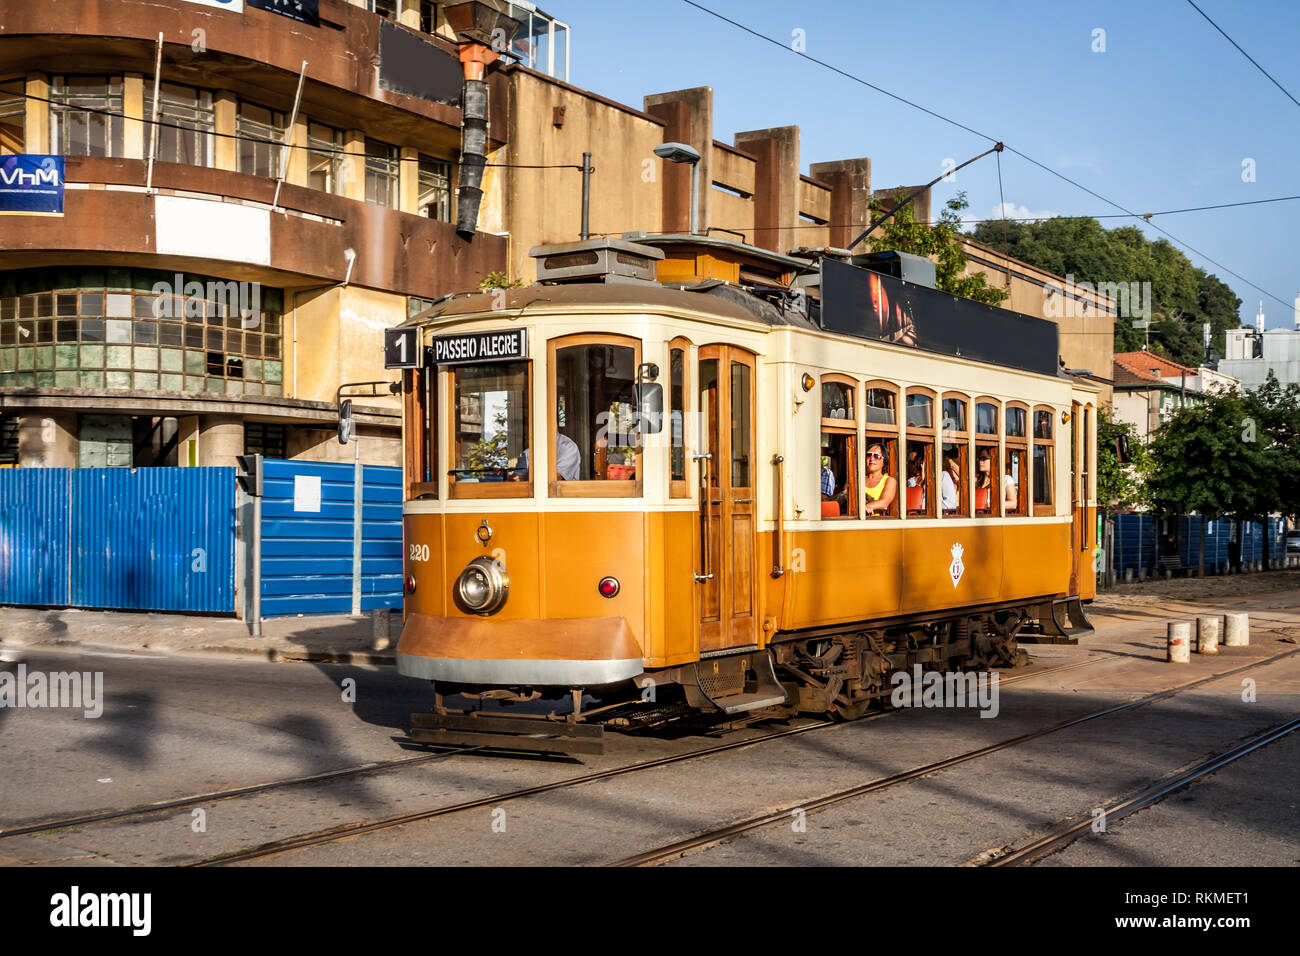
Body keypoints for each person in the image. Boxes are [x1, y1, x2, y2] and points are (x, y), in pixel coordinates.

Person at [512, 433, 581, 481]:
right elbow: (516, 478)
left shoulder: (567, 446)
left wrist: (527, 478)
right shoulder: (527, 452)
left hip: (563, 498)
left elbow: (556, 477)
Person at [863, 442, 897, 515]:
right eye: (868, 455)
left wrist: (863, 508)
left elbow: (884, 503)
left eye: (876, 456)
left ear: (884, 461)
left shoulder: (889, 481)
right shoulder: (858, 480)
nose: (872, 459)